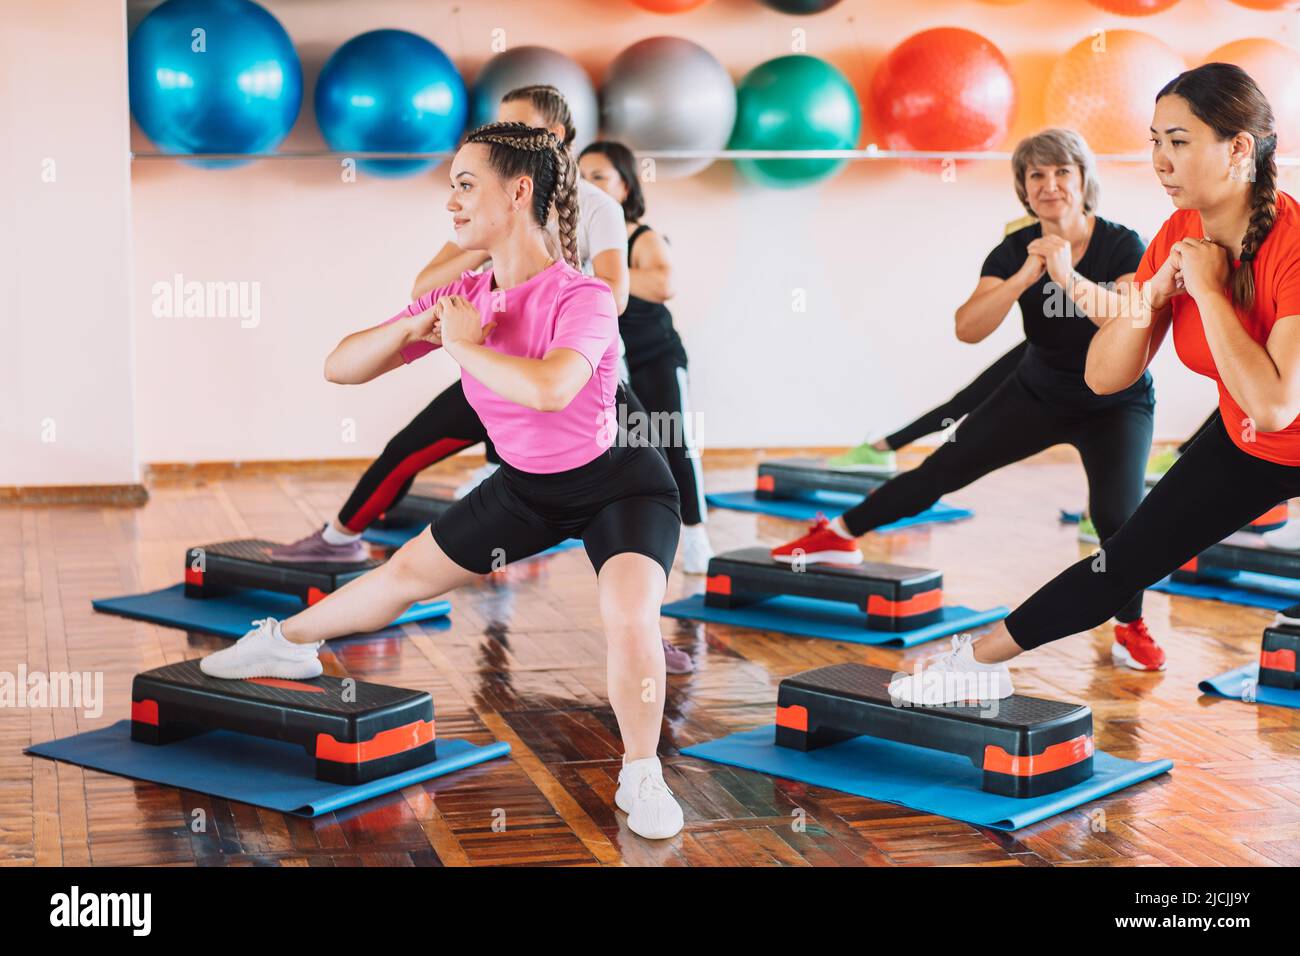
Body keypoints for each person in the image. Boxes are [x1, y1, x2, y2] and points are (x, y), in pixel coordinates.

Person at [201, 121, 686, 839]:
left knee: (627, 616)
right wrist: (416, 328)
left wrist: (462, 343)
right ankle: (286, 642)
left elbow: (552, 389)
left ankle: (641, 773)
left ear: (519, 191)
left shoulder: (579, 297)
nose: (450, 201)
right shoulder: (464, 294)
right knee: (401, 576)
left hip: (622, 486)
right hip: (526, 488)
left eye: (465, 184)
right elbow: (341, 366)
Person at [888, 63, 1300, 704]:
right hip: (1252, 447)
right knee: (1125, 557)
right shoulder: (1175, 235)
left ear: (1239, 147)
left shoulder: (1293, 247)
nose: (1161, 161)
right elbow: (1105, 376)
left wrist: (1210, 294)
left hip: (1272, 422)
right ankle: (975, 662)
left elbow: (1274, 403)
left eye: (1180, 141)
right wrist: (1153, 296)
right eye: (1155, 140)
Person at [268, 86, 694, 674]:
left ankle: (643, 649)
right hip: (509, 417)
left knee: (629, 599)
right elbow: (363, 344)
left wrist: (482, 330)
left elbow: (578, 346)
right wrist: (450, 301)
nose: (452, 201)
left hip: (586, 411)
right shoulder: (474, 256)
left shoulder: (596, 217)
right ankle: (299, 610)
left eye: (465, 185)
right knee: (409, 512)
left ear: (543, 153)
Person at [771, 128, 1165, 670]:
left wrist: (1065, 274)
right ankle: (839, 533)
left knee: (1118, 518)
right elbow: (968, 328)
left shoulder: (1121, 243)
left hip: (1115, 402)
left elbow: (1125, 321)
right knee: (943, 469)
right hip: (1038, 392)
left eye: (1061, 174)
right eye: (1036, 176)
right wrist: (1025, 274)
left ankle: (1130, 625)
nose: (1050, 186)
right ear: (1024, 191)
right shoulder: (1013, 249)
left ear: (1082, 181)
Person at [577, 139, 713, 573]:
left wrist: (603, 272)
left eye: (599, 177)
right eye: (581, 177)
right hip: (612, 362)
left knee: (674, 440)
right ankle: (638, 537)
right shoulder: (580, 239)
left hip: (656, 355)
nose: (587, 185)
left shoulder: (640, 236)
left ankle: (695, 534)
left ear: (625, 186)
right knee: (633, 448)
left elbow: (663, 285)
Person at [827, 342, 1028, 473]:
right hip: (1042, 346)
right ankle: (881, 449)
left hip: (1051, 355)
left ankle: (882, 449)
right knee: (963, 404)